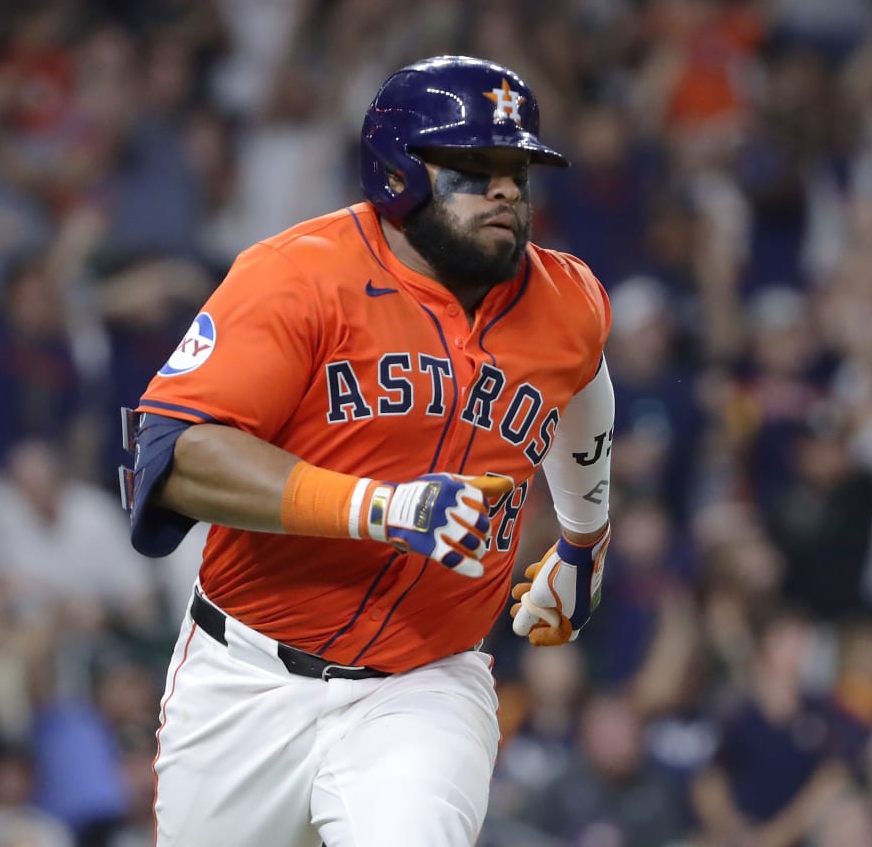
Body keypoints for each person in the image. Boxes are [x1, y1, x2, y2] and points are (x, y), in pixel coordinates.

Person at [117, 56, 615, 846]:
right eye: (475, 169)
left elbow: (583, 378)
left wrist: (586, 538)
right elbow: (177, 456)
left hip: (425, 683)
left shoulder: (566, 298)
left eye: (518, 170)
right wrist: (380, 507)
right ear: (398, 174)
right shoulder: (297, 276)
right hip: (246, 678)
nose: (507, 192)